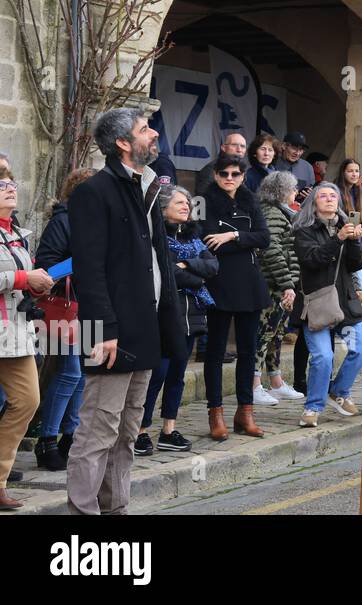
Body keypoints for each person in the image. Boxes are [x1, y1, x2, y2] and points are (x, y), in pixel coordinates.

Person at [66, 108, 188, 515]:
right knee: (96, 432)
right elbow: (88, 270)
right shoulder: (92, 192)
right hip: (105, 333)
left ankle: (115, 509)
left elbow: (158, 265)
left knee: (127, 432)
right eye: (144, 129)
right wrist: (103, 331)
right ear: (123, 142)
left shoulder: (149, 188)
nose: (153, 133)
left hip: (145, 328)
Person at [136, 187, 218, 456]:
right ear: (163, 208)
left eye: (188, 202)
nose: (186, 205)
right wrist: (193, 271)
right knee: (157, 374)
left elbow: (213, 267)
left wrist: (186, 266)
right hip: (165, 314)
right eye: (179, 202)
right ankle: (141, 431)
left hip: (191, 315)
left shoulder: (194, 237)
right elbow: (168, 274)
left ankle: (169, 430)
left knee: (177, 375)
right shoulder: (154, 236)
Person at [200, 153, 273, 439]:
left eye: (235, 174)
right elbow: (205, 240)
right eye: (224, 174)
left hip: (249, 282)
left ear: (243, 176)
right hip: (218, 281)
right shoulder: (202, 201)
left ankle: (245, 411)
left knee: (247, 350)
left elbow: (264, 238)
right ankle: (214, 412)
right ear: (215, 174)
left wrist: (232, 237)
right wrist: (245, 238)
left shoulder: (251, 200)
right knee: (215, 351)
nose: (230, 179)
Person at [31, 167, 95, 472]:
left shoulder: (93, 223)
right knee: (70, 372)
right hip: (62, 306)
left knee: (81, 374)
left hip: (86, 306)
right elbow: (46, 267)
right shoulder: (63, 220)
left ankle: (70, 436)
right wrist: (83, 260)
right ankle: (47, 440)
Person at [292, 183, 362, 428]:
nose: (328, 199)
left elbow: (357, 264)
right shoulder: (304, 230)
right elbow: (312, 260)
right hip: (318, 302)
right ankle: (313, 406)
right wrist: (338, 239)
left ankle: (338, 390)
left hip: (346, 303)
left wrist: (354, 240)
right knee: (323, 356)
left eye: (333, 195)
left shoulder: (345, 226)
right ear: (314, 202)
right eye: (323, 195)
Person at [0, 174, 54, 510]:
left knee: (27, 400)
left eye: (11, 184)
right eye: (1, 185)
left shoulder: (16, 233)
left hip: (13, 334)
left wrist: (37, 285)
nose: (10, 189)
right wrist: (23, 277)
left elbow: (20, 281)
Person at [252, 171, 303, 405]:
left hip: (281, 285)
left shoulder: (283, 213)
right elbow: (272, 251)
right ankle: (254, 386)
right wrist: (286, 285)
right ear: (281, 191)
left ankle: (276, 382)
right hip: (272, 285)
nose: (295, 192)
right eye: (292, 188)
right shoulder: (272, 213)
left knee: (277, 335)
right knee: (264, 335)